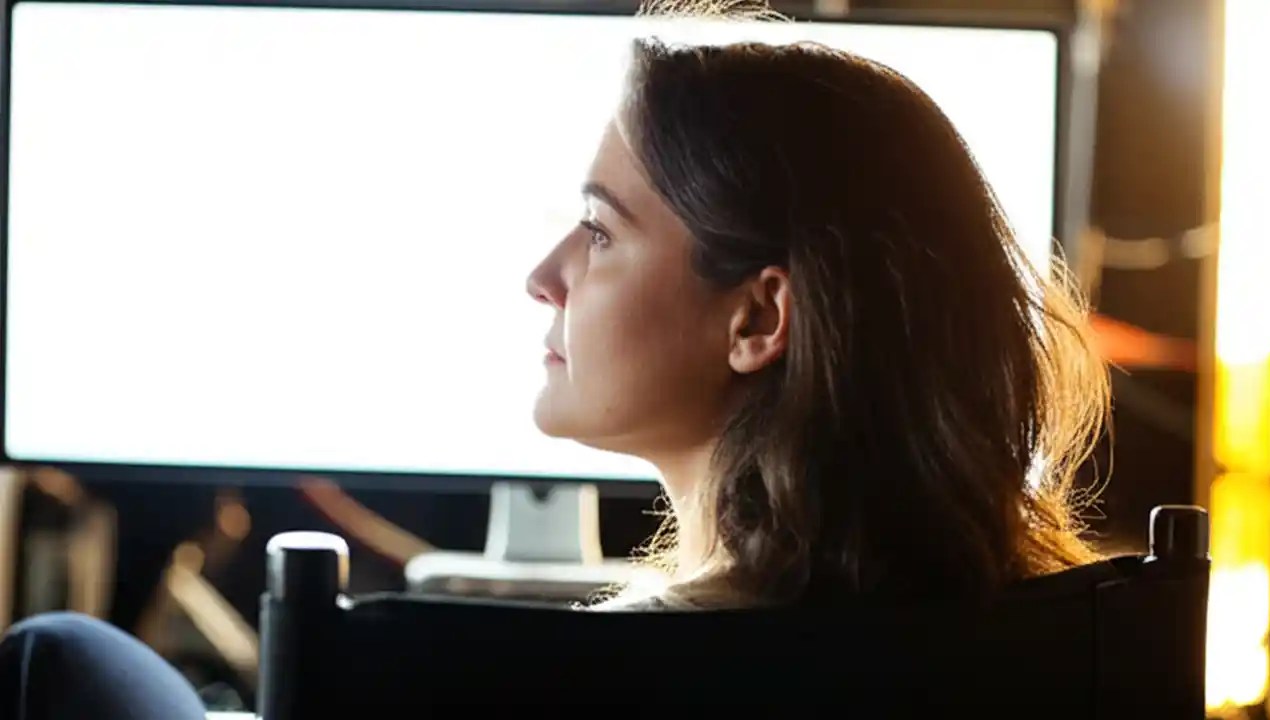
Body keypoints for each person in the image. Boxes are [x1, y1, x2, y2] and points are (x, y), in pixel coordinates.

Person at [0, 4, 1110, 717]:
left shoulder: (545, 684)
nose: (545, 272)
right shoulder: (1072, 643)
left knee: (64, 658)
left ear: (756, 319)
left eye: (600, 229)